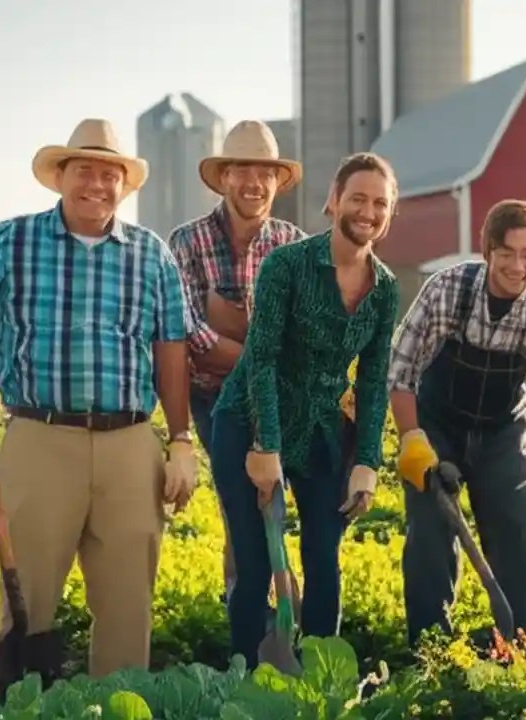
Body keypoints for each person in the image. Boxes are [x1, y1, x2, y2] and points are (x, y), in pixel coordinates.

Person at [0, 118, 197, 681]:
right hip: (39, 437)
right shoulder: (14, 239)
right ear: (60, 177)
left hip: (128, 443)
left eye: (109, 173)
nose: (96, 183)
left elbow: (171, 353)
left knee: (127, 604)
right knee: (27, 599)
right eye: (83, 170)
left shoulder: (151, 254)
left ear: (124, 184)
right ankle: (18, 703)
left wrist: (181, 441)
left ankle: (117, 706)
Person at [207, 151, 400, 668]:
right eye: (357, 198)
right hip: (246, 420)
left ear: (389, 213)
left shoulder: (384, 290)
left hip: (322, 433)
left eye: (380, 203)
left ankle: (320, 673)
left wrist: (367, 463)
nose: (368, 211)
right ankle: (247, 677)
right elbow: (263, 359)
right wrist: (264, 446)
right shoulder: (287, 265)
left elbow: (375, 378)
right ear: (333, 201)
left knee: (323, 558)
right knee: (252, 565)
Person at [388, 199, 526, 647]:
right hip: (436, 426)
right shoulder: (449, 289)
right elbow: (400, 370)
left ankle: (524, 646)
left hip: (501, 432)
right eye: (509, 253)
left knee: (516, 533)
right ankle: (430, 650)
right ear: (488, 250)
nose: (519, 266)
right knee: (431, 537)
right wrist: (412, 438)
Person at [168, 119, 306, 603]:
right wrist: (258, 358)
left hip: (278, 398)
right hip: (214, 395)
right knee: (239, 501)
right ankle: (245, 601)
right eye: (242, 171)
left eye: (265, 173)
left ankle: (284, 597)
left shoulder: (292, 243)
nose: (253, 183)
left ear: (277, 182)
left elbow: (304, 329)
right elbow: (189, 330)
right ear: (223, 178)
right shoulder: (187, 242)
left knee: (278, 497)